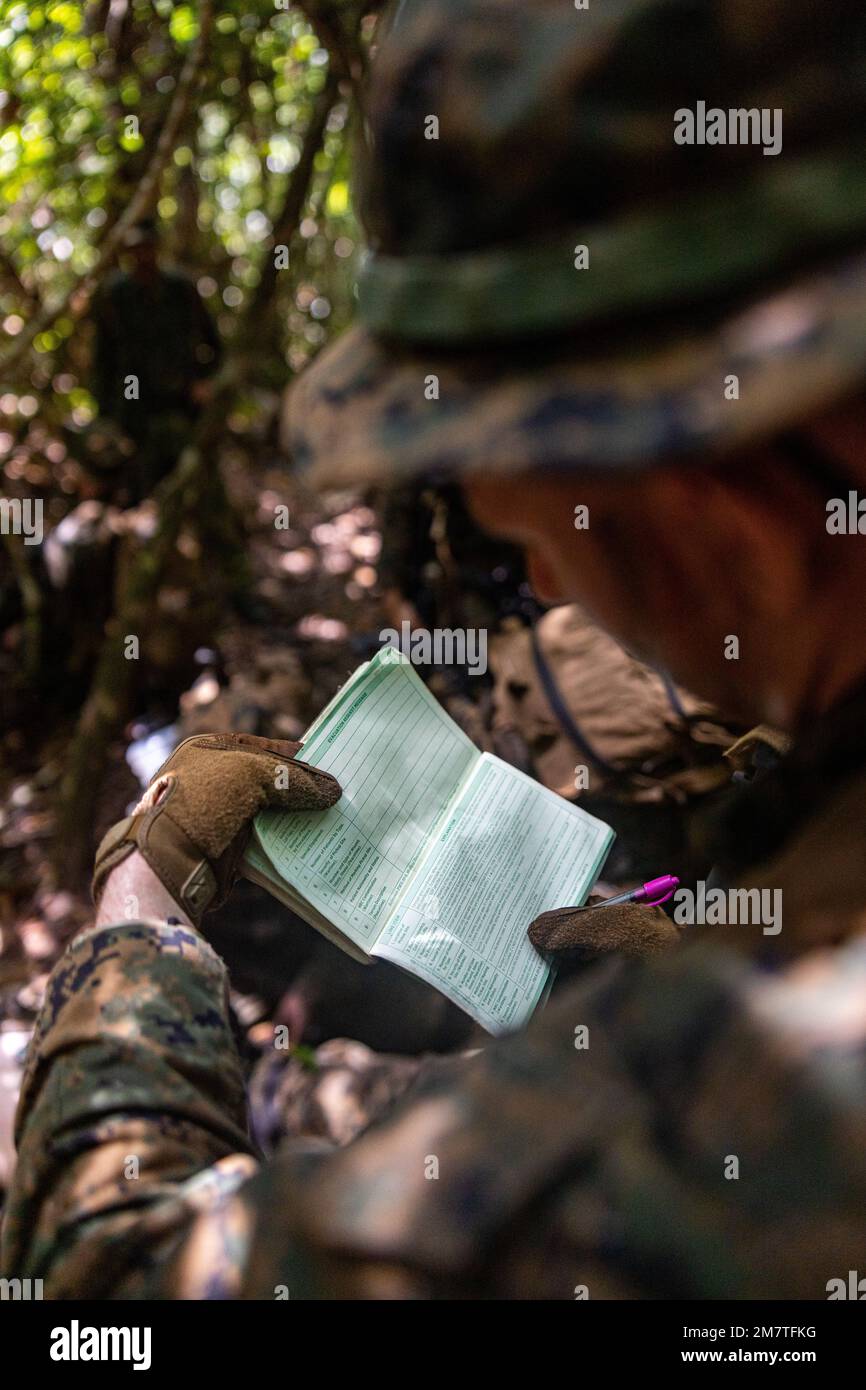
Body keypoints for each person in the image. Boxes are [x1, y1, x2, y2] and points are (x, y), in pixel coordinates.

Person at [5, 0, 866, 1299]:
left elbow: (112, 1293)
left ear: (707, 479)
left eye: (555, 521)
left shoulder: (737, 1093)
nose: (542, 574)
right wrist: (690, 942)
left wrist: (134, 926)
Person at [89, 217, 222, 503]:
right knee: (138, 479)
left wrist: (204, 381)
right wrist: (105, 413)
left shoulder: (181, 288)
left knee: (191, 473)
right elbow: (103, 358)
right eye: (136, 249)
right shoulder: (115, 294)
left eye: (147, 248)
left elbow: (214, 344)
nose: (142, 256)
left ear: (157, 249)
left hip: (180, 400)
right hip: (134, 404)